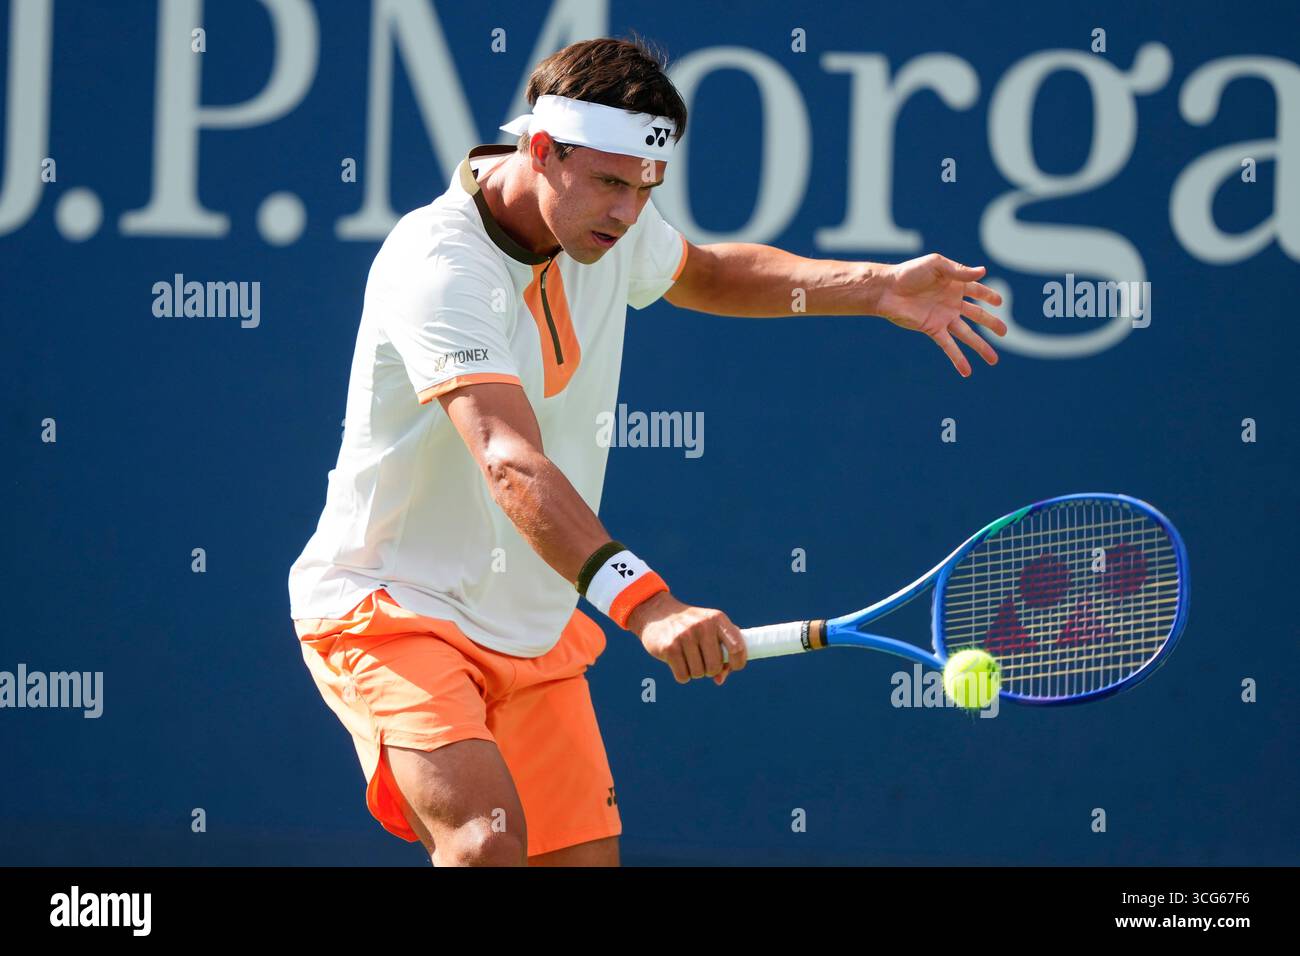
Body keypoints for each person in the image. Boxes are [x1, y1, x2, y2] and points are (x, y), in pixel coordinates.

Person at [288, 36, 1005, 867]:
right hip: (394, 606)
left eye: (646, 188)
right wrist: (649, 606)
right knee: (485, 845)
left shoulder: (609, 223)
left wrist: (871, 287)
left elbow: (699, 271)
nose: (629, 212)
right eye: (612, 184)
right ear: (542, 149)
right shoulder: (437, 263)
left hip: (532, 624)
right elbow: (508, 460)